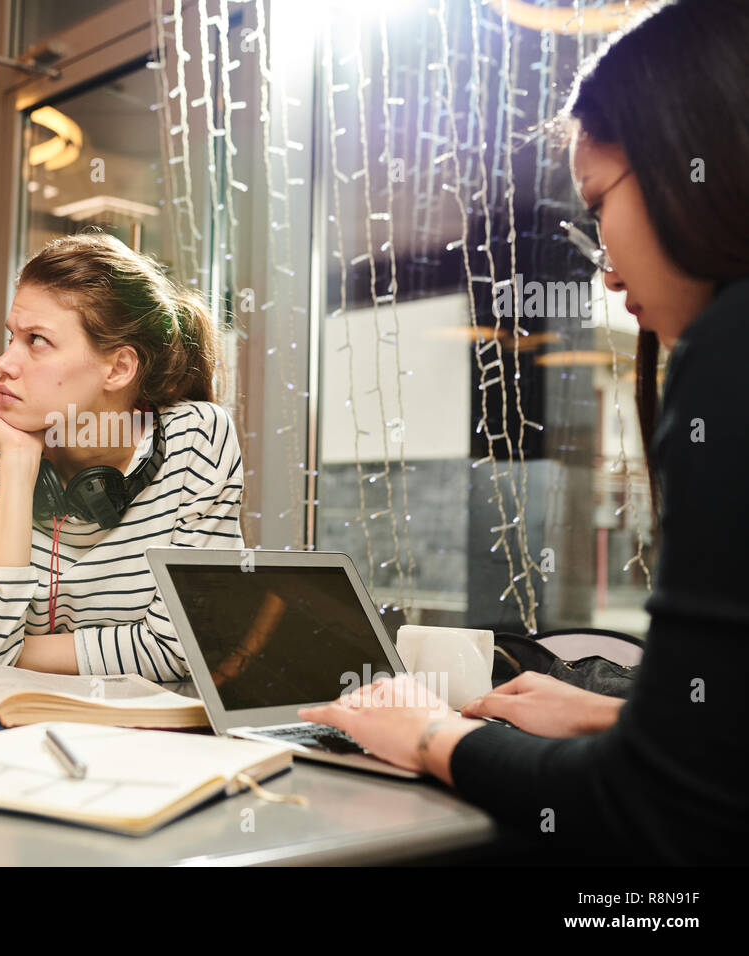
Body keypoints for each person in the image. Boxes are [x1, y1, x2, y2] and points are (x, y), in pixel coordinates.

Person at [297, 0, 749, 864]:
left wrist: (431, 736)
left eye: (596, 204)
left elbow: (662, 812)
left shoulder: (730, 348)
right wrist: (613, 713)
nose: (604, 267)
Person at [0, 232, 244, 679]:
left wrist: (12, 654)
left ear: (118, 368)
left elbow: (190, 646)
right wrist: (19, 469)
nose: (3, 362)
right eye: (12, 337)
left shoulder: (197, 440)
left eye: (37, 340)